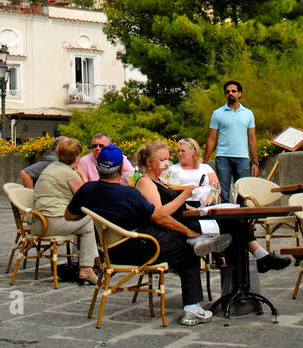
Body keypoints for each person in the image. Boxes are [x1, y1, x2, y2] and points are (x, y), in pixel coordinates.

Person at [66, 145, 230, 325]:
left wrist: (94, 212)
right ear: (121, 169)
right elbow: (159, 217)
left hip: (109, 252)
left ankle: (197, 241)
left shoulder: (87, 190)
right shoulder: (128, 193)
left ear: (98, 167)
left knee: (180, 240)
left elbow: (70, 215)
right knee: (187, 250)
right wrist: (187, 231)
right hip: (137, 247)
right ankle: (192, 308)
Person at [136, 141, 290, 273]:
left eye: (167, 159)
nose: (167, 164)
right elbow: (160, 214)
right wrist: (185, 195)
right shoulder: (147, 181)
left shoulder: (161, 180)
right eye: (162, 160)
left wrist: (196, 208)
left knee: (237, 221)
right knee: (234, 224)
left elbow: (214, 187)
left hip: (192, 212)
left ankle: (253, 262)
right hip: (181, 224)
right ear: (149, 162)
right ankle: (254, 261)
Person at [30, 137, 99, 285]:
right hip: (52, 223)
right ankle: (87, 267)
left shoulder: (51, 167)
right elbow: (86, 197)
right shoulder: (70, 174)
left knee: (82, 222)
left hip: (38, 222)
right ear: (76, 157)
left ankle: (82, 262)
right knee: (88, 222)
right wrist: (82, 174)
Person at [205, 80, 257, 204]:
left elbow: (252, 137)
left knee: (243, 194)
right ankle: (225, 217)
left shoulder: (248, 113)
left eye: (234, 91)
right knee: (223, 194)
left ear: (240, 94)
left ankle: (242, 217)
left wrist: (255, 161)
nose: (231, 93)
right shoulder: (217, 114)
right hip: (223, 158)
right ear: (225, 95)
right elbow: (212, 138)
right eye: (228, 91)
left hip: (242, 157)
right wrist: (205, 162)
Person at [166, 137, 218, 205]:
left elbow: (217, 187)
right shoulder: (173, 169)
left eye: (183, 151)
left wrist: (211, 198)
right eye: (178, 151)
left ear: (193, 152)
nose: (179, 154)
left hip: (205, 203)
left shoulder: (206, 168)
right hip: (182, 204)